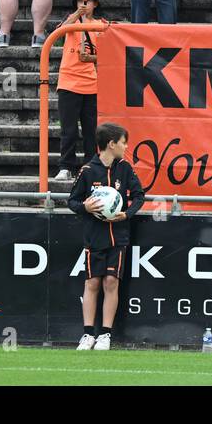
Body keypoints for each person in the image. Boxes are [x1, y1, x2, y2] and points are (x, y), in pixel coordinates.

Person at [69, 121, 145, 351]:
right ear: (111, 144)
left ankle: (105, 335)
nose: (125, 147)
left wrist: (126, 214)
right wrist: (86, 208)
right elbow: (72, 201)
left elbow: (139, 196)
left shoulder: (125, 168)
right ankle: (87, 334)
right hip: (94, 236)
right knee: (92, 282)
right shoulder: (88, 171)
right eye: (123, 143)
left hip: (118, 236)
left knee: (111, 282)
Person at [54, 0, 100, 181]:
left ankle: (91, 165)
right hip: (68, 82)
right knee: (69, 129)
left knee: (91, 129)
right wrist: (75, 15)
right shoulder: (71, 22)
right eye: (80, 1)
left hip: (92, 83)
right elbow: (58, 34)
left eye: (87, 1)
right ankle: (66, 166)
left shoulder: (100, 25)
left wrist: (90, 58)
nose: (84, 4)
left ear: (95, 4)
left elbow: (110, 54)